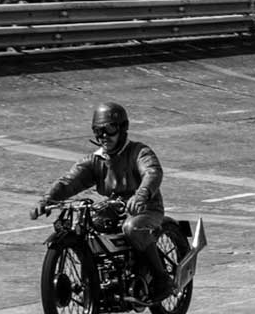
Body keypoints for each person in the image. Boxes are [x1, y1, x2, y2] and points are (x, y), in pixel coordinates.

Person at [31, 102, 173, 303]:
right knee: (90, 226)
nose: (104, 135)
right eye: (98, 131)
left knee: (132, 228)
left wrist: (141, 195)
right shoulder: (95, 161)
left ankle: (162, 279)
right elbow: (69, 181)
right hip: (115, 208)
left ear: (123, 127)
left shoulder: (139, 152)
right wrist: (47, 199)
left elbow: (152, 172)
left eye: (110, 128)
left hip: (146, 208)